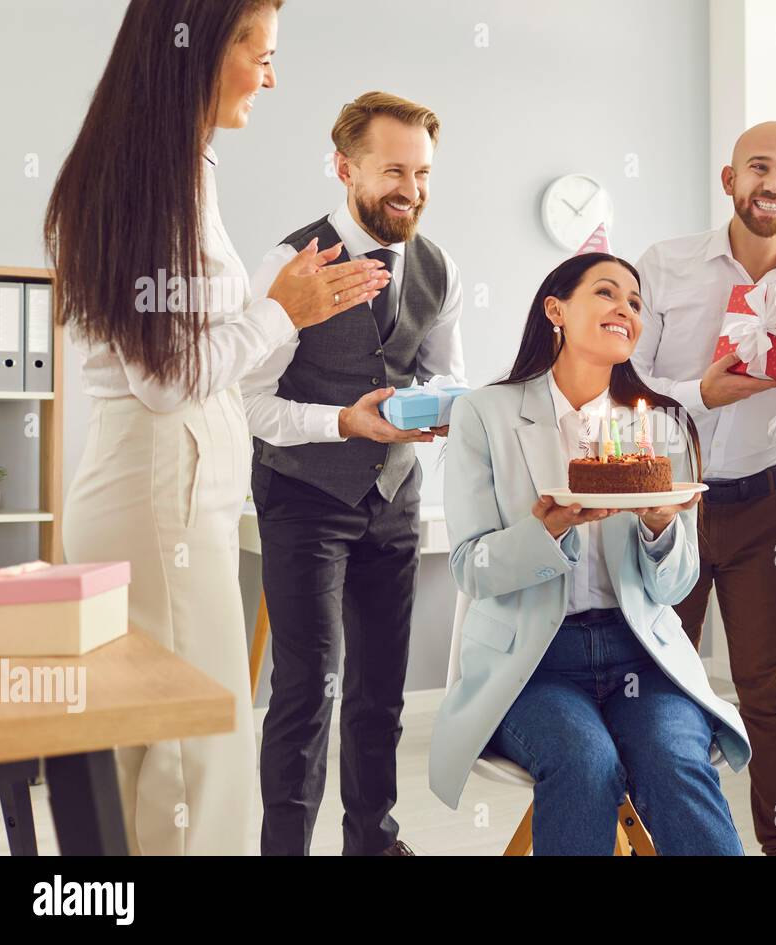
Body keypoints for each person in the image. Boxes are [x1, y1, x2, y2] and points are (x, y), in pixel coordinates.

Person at [47, 0, 388, 855]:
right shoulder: (151, 178)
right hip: (162, 504)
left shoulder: (166, 170)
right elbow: (165, 378)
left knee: (162, 754)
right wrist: (284, 312)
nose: (271, 79)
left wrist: (284, 311)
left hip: (165, 495)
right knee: (195, 762)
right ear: (198, 50)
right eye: (261, 55)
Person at [430, 253, 750, 855]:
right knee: (585, 763)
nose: (625, 310)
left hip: (643, 660)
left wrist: (661, 527)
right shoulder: (486, 414)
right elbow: (470, 567)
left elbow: (676, 586)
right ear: (556, 309)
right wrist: (544, 533)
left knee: (675, 761)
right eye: (607, 293)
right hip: (536, 663)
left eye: (635, 302)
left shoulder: (662, 426)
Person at [243, 92, 465, 856]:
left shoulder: (440, 268)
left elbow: (445, 376)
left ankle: (374, 840)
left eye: (424, 172)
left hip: (395, 495)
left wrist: (441, 413)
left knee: (380, 693)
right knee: (307, 691)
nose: (412, 189)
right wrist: (341, 421)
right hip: (303, 492)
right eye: (393, 170)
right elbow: (253, 404)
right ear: (344, 168)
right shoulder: (288, 261)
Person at [632, 121, 776, 855]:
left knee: (771, 693)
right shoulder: (665, 265)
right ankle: (660, 840)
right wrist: (703, 392)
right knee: (660, 685)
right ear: (729, 181)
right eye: (760, 167)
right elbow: (623, 384)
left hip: (766, 509)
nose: (775, 185)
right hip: (669, 503)